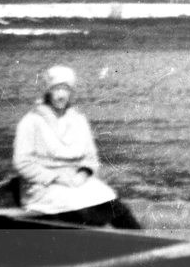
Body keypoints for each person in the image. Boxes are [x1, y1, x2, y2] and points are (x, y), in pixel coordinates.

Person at [13, 65, 139, 228]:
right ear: (48, 92)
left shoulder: (79, 120)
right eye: (56, 89)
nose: (60, 95)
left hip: (76, 181)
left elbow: (91, 158)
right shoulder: (31, 122)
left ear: (71, 93)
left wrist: (82, 174)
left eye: (65, 89)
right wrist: (57, 177)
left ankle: (144, 241)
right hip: (43, 185)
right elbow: (22, 163)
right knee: (76, 207)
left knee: (112, 202)